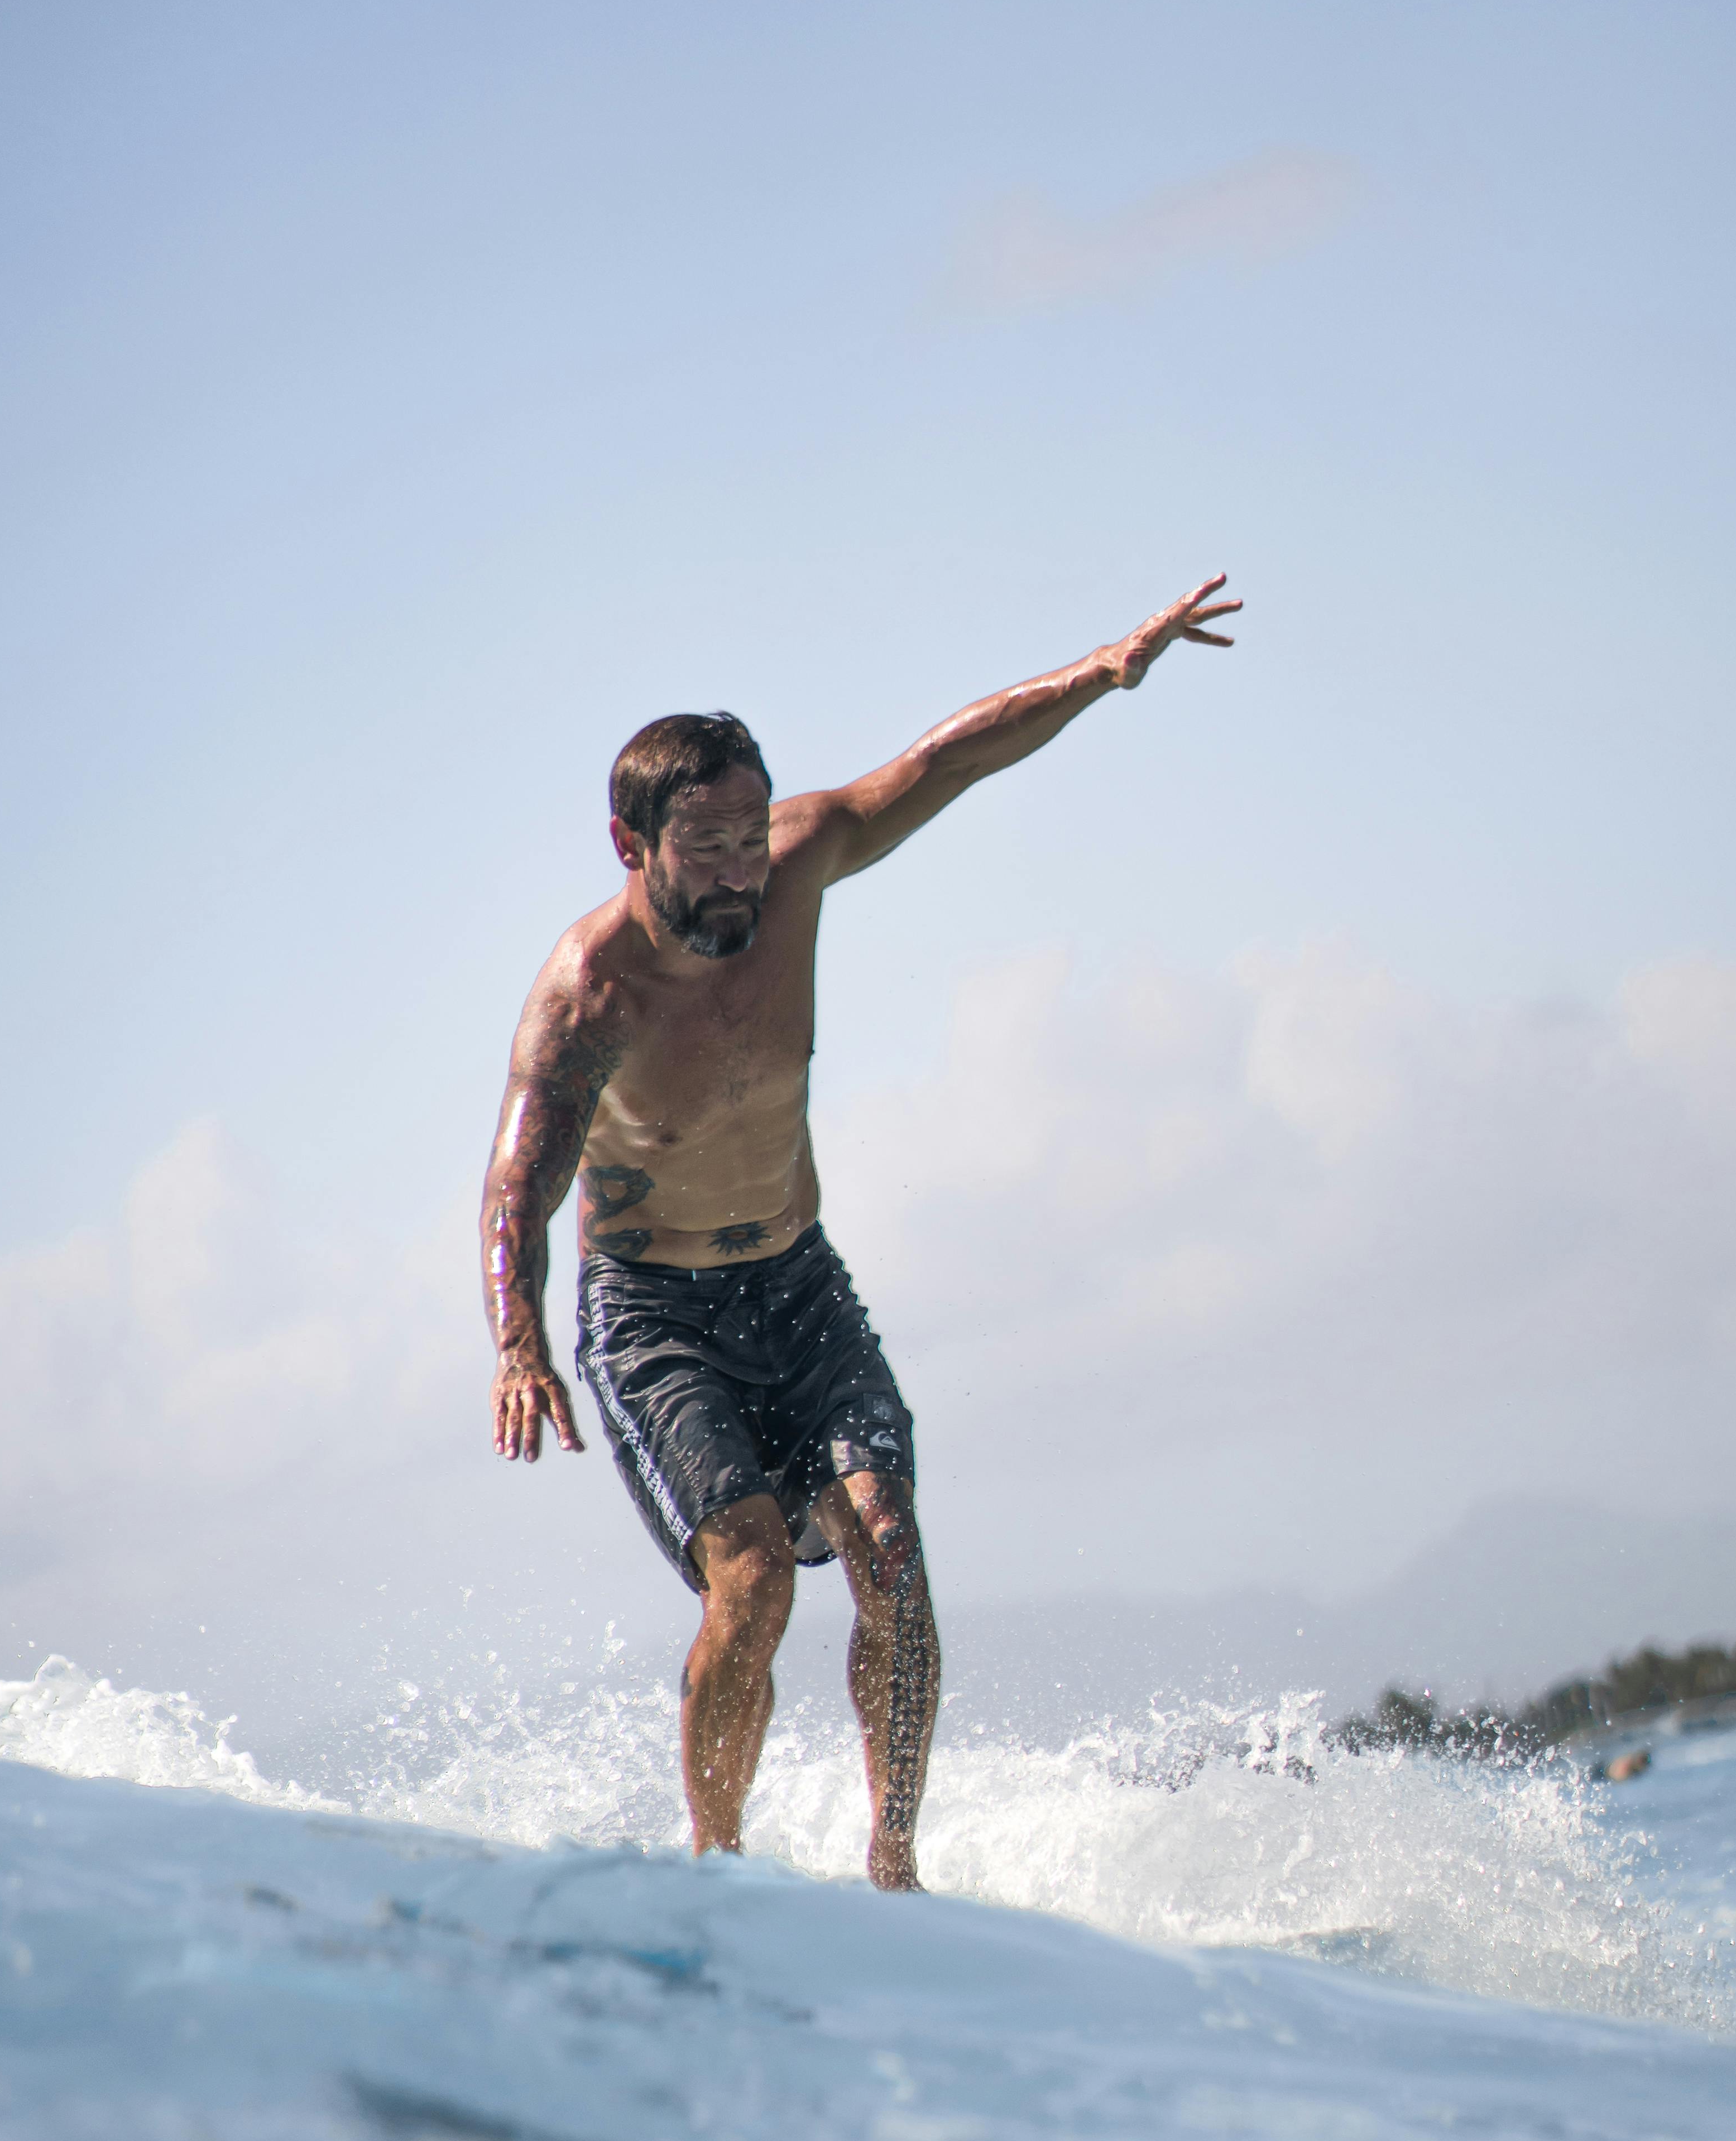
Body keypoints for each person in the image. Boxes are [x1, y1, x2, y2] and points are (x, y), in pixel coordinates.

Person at [478, 579, 1242, 1885]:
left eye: (744, 839)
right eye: (702, 848)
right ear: (630, 843)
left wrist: (1104, 671)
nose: (735, 875)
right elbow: (516, 1187)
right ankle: (720, 1867)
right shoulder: (590, 992)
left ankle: (894, 1870)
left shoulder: (799, 860)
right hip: (653, 1316)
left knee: (888, 1544)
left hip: (796, 1279)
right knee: (758, 1580)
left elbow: (941, 763)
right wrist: (516, 1342)